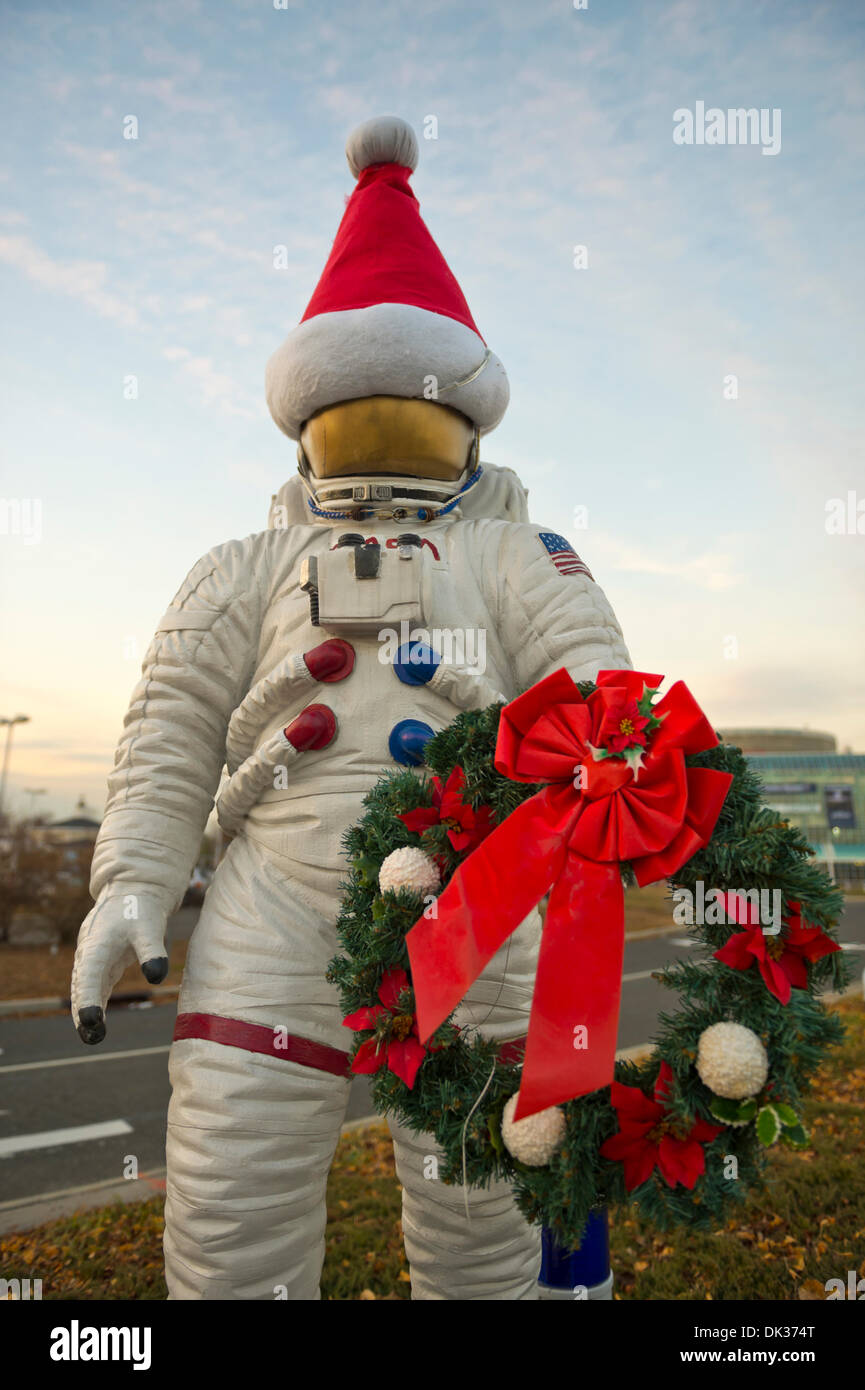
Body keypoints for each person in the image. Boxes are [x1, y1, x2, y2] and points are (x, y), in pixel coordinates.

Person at [71, 116, 630, 1299]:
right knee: (232, 1213)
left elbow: (601, 711)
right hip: (270, 915)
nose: (383, 442)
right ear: (306, 423)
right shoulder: (244, 565)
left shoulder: (524, 555)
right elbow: (170, 722)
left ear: (467, 423)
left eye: (410, 412)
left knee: (486, 1222)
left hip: (472, 910)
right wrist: (131, 879)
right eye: (355, 414)